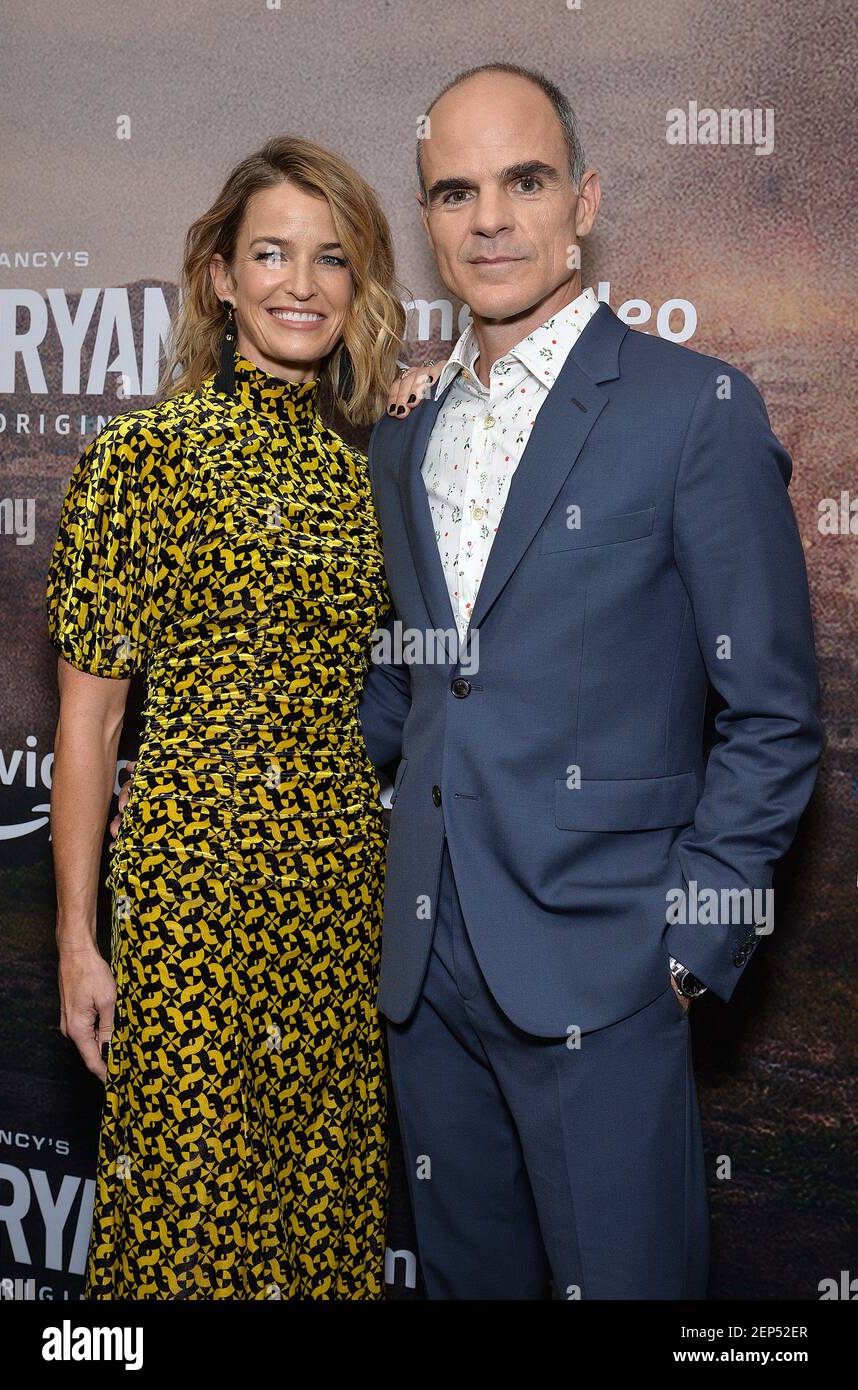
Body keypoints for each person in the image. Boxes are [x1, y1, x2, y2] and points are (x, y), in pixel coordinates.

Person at [357, 62, 824, 1299]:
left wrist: (686, 947)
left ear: (584, 201)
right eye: (454, 191)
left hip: (604, 970)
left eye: (525, 180)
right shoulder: (404, 432)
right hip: (423, 974)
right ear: (426, 220)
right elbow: (405, 699)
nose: (490, 218)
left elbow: (774, 715)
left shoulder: (690, 410)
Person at [47, 134, 441, 1300]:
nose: (299, 285)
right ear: (219, 275)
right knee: (188, 1212)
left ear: (359, 284)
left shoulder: (371, 466)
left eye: (329, 260)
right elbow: (90, 729)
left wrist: (422, 412)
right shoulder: (139, 458)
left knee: (319, 1207)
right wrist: (78, 940)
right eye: (269, 253)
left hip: (334, 880)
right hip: (189, 885)